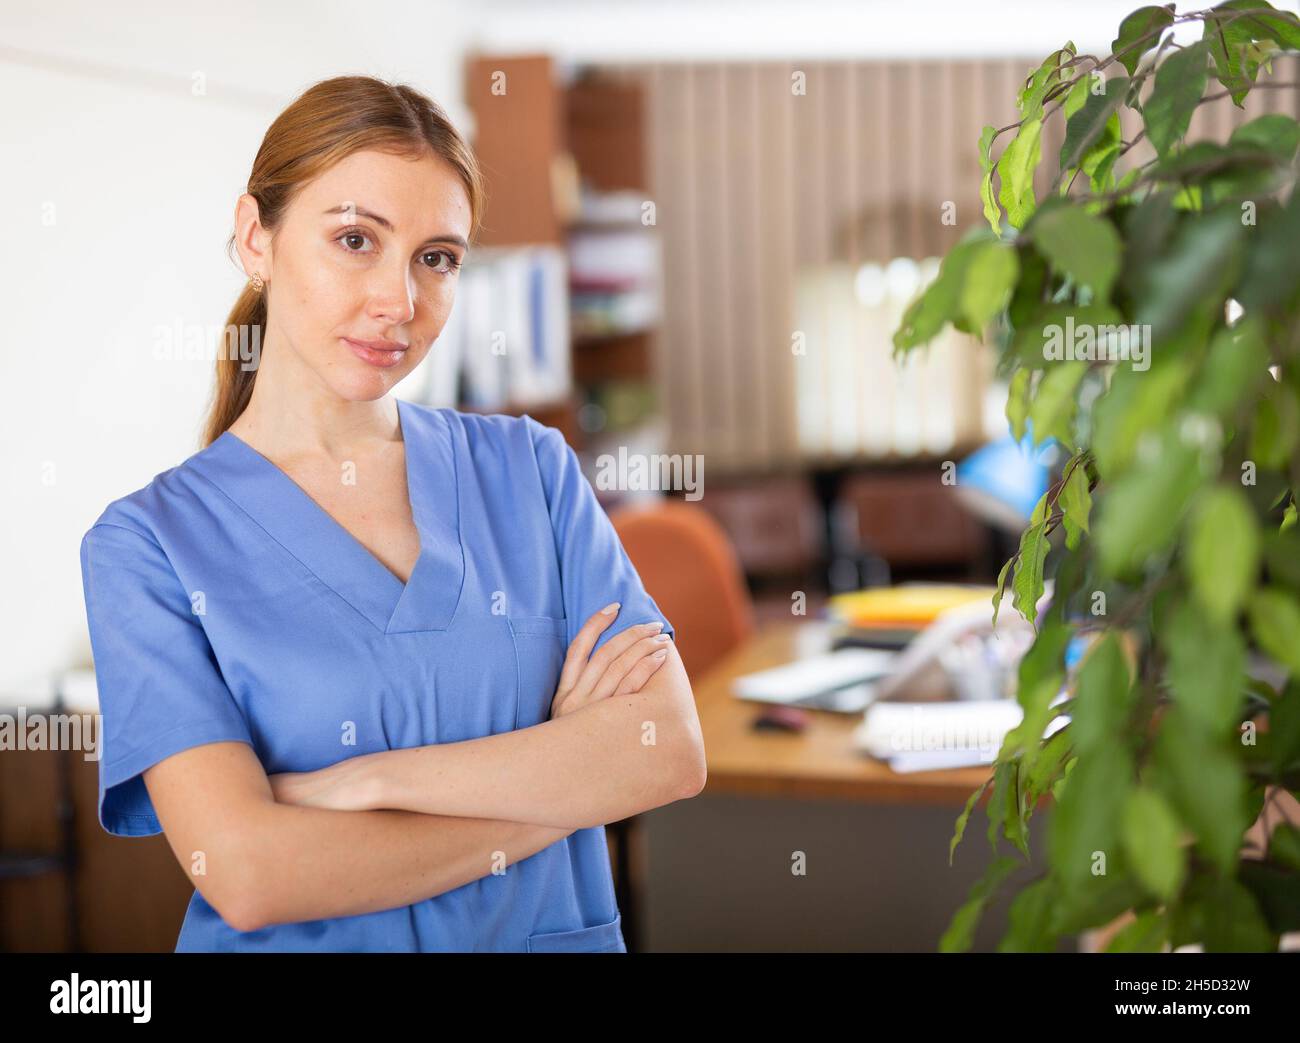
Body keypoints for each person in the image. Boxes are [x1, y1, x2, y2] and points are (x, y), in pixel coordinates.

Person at [78, 75, 706, 953]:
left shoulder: (531, 471)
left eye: (436, 257)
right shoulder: (147, 546)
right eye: (354, 239)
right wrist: (567, 778)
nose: (399, 302)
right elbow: (252, 875)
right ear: (256, 237)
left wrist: (367, 781)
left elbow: (665, 748)